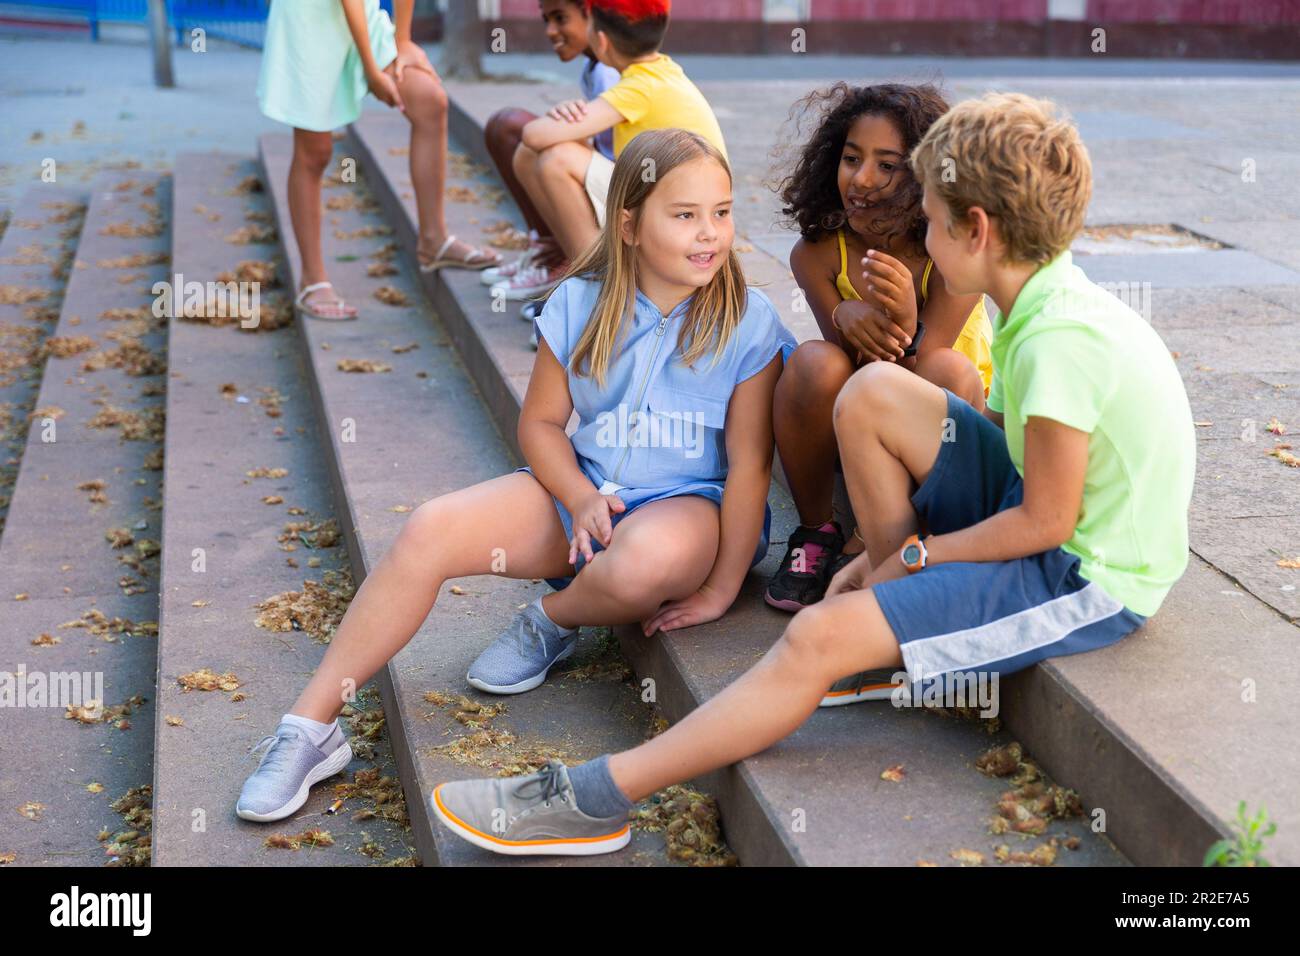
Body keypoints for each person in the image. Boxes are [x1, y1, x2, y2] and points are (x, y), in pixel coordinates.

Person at [428, 92, 1196, 857]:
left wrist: (914, 557)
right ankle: (889, 613)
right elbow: (1003, 446)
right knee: (873, 391)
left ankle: (594, 796)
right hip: (1038, 508)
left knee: (816, 635)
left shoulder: (1059, 340)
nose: (918, 230)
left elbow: (1045, 526)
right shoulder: (1035, 296)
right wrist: (883, 552)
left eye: (928, 217)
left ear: (977, 229)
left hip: (1086, 573)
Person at [235, 128, 795, 824]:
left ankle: (552, 618)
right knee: (430, 527)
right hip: (579, 492)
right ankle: (310, 729)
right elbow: (540, 427)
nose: (709, 232)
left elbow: (749, 466)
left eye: (722, 211)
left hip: (687, 508)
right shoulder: (579, 302)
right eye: (684, 215)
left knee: (640, 562)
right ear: (628, 223)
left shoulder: (746, 319)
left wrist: (718, 587)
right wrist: (579, 494)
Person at [765, 84, 993, 617]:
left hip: (952, 422)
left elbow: (919, 376)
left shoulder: (949, 252)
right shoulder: (820, 253)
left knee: (945, 366)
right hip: (867, 412)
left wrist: (908, 321)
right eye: (850, 158)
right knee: (813, 362)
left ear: (924, 175)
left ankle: (920, 536)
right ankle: (817, 530)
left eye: (887, 166)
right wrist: (844, 313)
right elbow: (852, 373)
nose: (861, 179)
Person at [257, 0, 500, 321]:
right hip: (308, 20)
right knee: (315, 152)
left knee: (429, 100)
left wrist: (402, 41)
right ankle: (312, 279)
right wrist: (372, 71)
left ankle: (434, 240)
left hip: (364, 14)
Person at [496, 0, 728, 305]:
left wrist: (557, 118)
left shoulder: (637, 87)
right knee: (536, 154)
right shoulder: (660, 72)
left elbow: (534, 134)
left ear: (601, 40)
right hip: (686, 202)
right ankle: (581, 271)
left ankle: (602, 293)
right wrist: (569, 121)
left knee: (557, 158)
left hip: (678, 211)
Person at [481, 0, 620, 316]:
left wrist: (568, 131)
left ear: (592, 16)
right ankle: (551, 254)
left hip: (628, 195)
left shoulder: (610, 70)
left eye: (560, 19)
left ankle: (586, 282)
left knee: (522, 133)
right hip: (610, 180)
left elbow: (625, 152)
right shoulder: (595, 67)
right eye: (546, 20)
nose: (551, 31)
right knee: (512, 128)